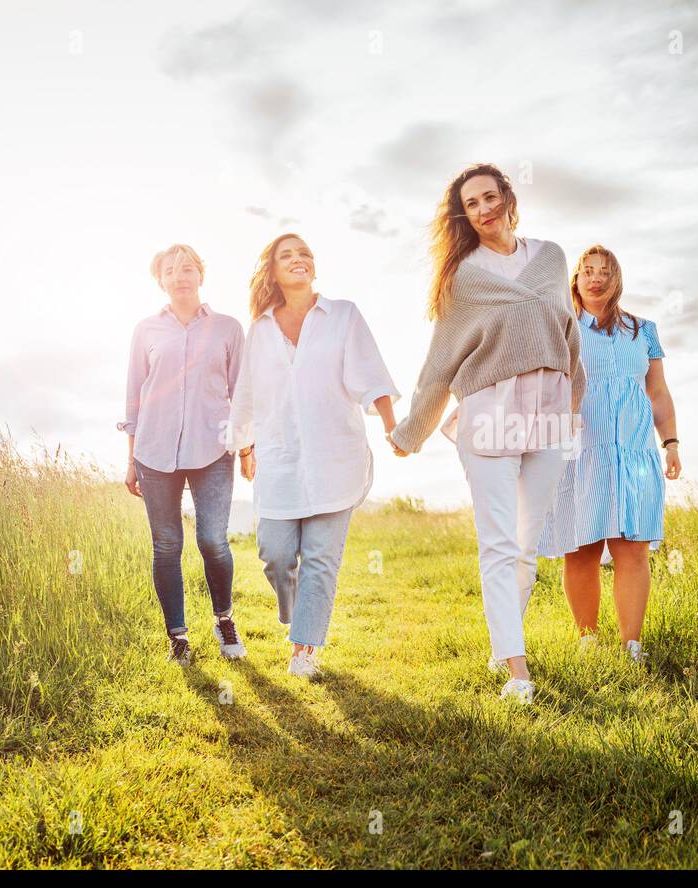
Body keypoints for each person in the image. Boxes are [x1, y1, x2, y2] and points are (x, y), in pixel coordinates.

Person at [388, 163, 585, 705]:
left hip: (547, 415)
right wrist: (412, 429)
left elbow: (570, 339)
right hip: (489, 414)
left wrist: (574, 408)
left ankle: (504, 643)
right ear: (464, 215)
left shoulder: (550, 258)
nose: (484, 209)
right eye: (472, 203)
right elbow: (442, 359)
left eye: (490, 197)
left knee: (526, 547)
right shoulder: (464, 278)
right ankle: (518, 671)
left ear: (507, 197)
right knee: (498, 544)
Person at [229, 233, 400, 678]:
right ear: (273, 270)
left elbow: (371, 372)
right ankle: (298, 613)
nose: (298, 259)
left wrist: (390, 425)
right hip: (278, 458)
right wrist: (244, 447)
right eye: (287, 255)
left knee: (321, 559)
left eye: (304, 253)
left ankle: (304, 649)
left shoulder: (342, 315)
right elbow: (246, 393)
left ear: (314, 266)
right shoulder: (261, 327)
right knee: (275, 554)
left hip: (335, 457)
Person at [539, 244, 681, 661]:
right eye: (588, 271)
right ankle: (587, 640)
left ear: (617, 279)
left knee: (632, 547)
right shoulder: (562, 326)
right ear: (576, 280)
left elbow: (657, 391)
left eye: (604, 271)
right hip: (578, 451)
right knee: (580, 546)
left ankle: (631, 645)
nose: (596, 277)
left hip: (634, 451)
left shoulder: (643, 330)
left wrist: (670, 442)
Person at [119, 243, 247, 665]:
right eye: (171, 270)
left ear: (200, 275)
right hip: (154, 452)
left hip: (213, 448)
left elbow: (243, 393)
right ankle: (178, 638)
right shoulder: (146, 330)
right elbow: (135, 394)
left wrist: (247, 446)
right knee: (166, 545)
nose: (180, 275)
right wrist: (131, 456)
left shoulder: (228, 328)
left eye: (188, 267)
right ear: (161, 280)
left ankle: (224, 620)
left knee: (212, 540)